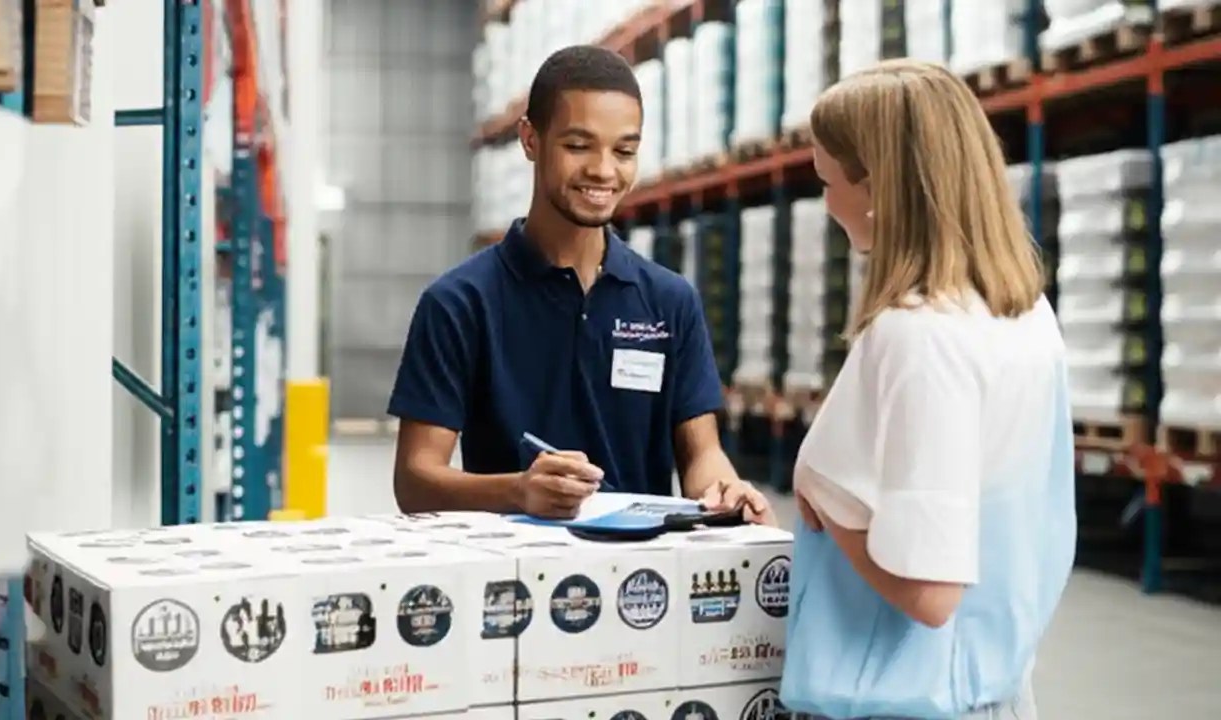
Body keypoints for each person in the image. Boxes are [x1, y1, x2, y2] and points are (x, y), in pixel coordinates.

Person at [780, 59, 1076, 720]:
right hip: (991, 687)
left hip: (907, 702)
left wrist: (831, 501)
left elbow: (931, 592)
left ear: (878, 187)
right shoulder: (1023, 313)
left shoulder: (918, 336)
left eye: (828, 180)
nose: (826, 202)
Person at [387, 45, 773, 525]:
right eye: (578, 145)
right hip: (510, 583)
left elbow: (701, 456)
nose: (604, 171)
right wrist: (519, 491)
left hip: (641, 583)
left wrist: (726, 491)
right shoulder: (460, 304)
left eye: (624, 151)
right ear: (531, 139)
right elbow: (415, 480)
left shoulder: (669, 301)